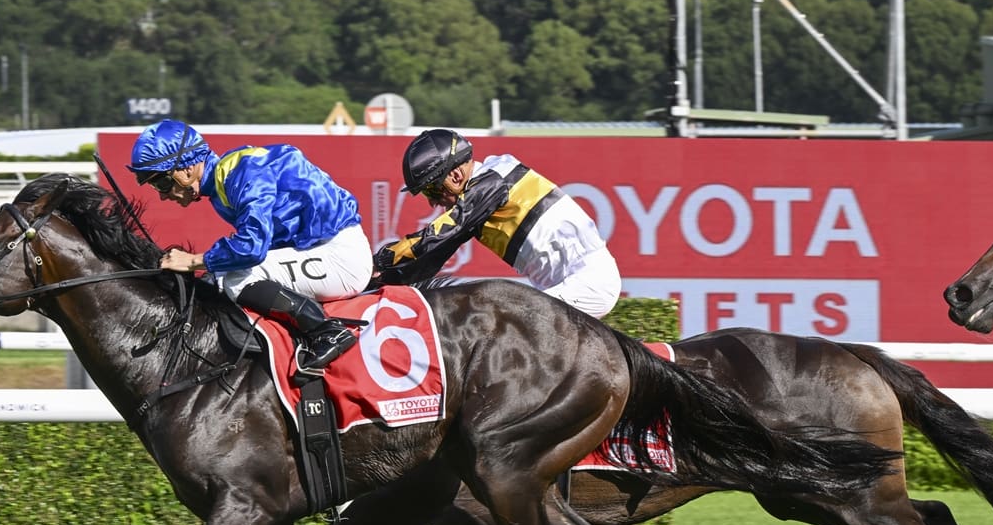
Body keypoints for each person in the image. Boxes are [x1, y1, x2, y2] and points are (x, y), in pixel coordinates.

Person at [127, 119, 373, 372]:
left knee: (235, 278)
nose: (162, 195)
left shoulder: (242, 173)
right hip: (319, 250)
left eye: (161, 183)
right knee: (217, 278)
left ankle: (326, 330)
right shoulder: (227, 179)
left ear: (187, 169)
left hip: (340, 258)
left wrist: (192, 261)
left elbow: (252, 249)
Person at [373, 129, 623, 319]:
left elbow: (434, 236)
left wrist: (376, 260)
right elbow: (432, 257)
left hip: (588, 283)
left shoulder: (492, 181)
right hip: (565, 285)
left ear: (456, 175)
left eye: (432, 190)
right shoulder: (480, 197)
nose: (434, 202)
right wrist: (381, 283)